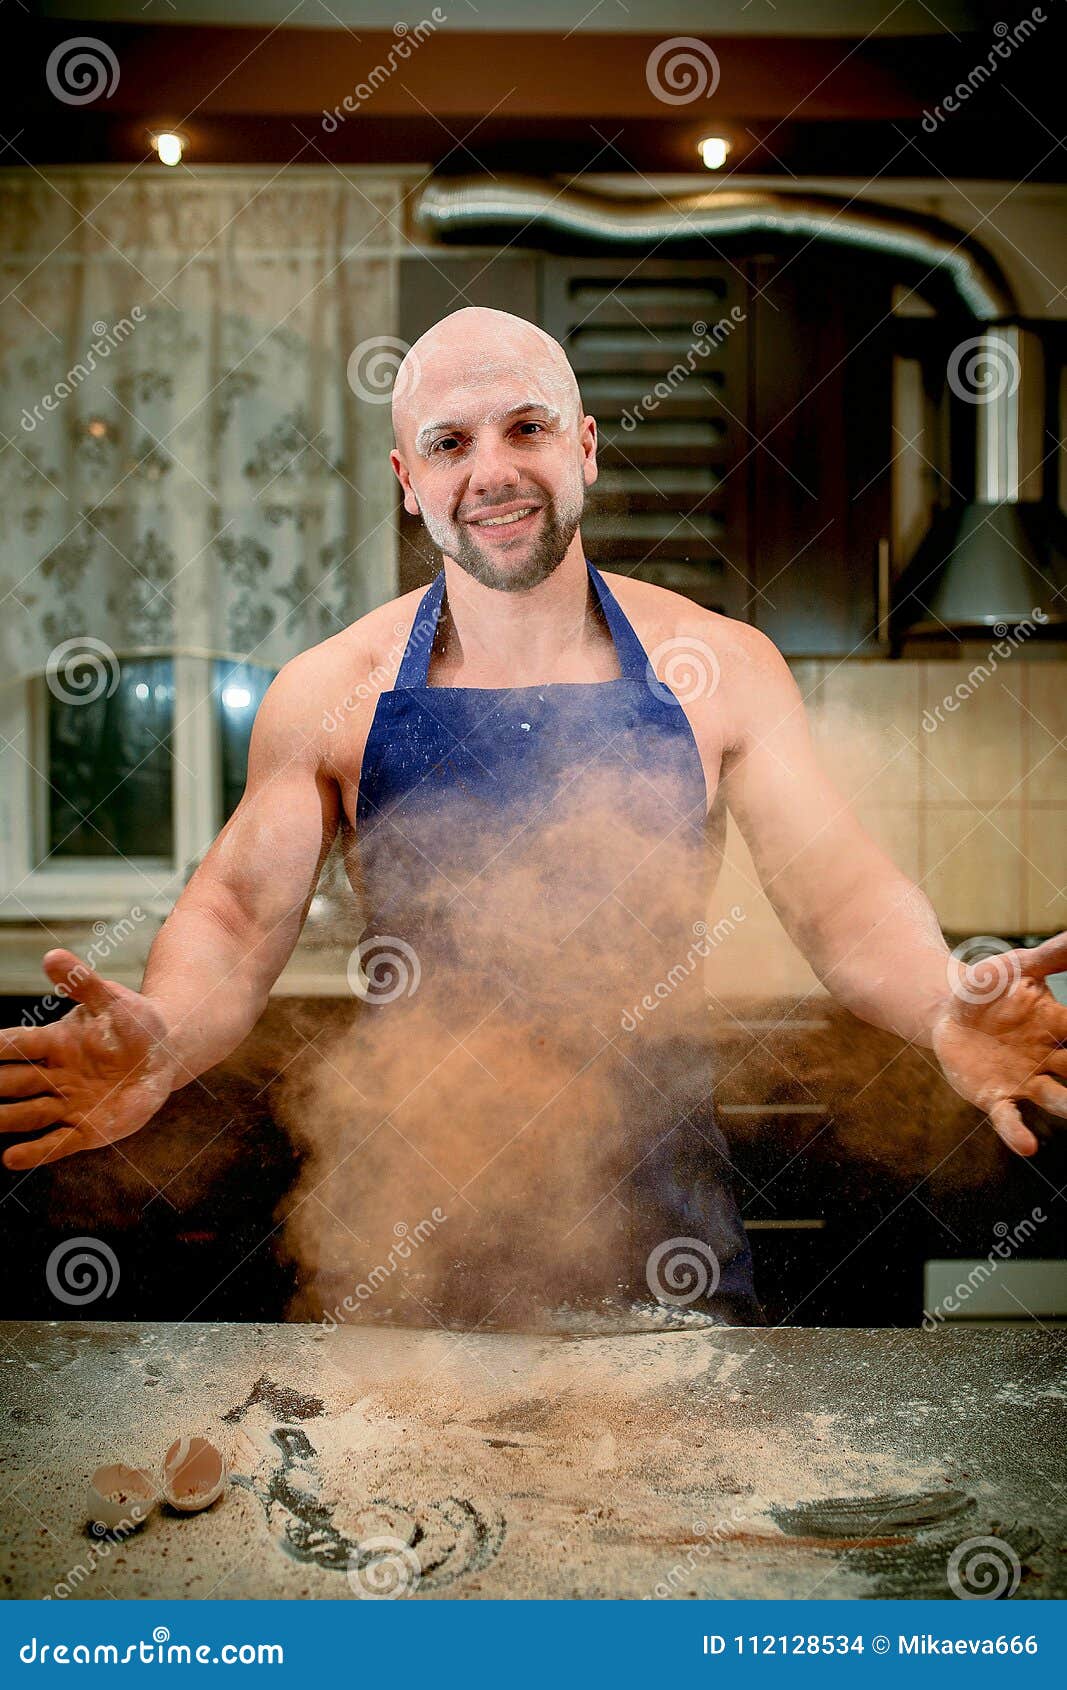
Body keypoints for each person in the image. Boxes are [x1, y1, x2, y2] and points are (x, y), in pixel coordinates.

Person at [2, 308, 1065, 1326]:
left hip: (663, 1234)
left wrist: (937, 1000)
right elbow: (234, 918)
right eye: (449, 442)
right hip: (412, 1236)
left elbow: (838, 892)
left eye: (526, 428)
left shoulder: (717, 669)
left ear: (585, 449)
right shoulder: (331, 690)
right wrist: (170, 1034)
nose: (493, 470)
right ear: (407, 481)